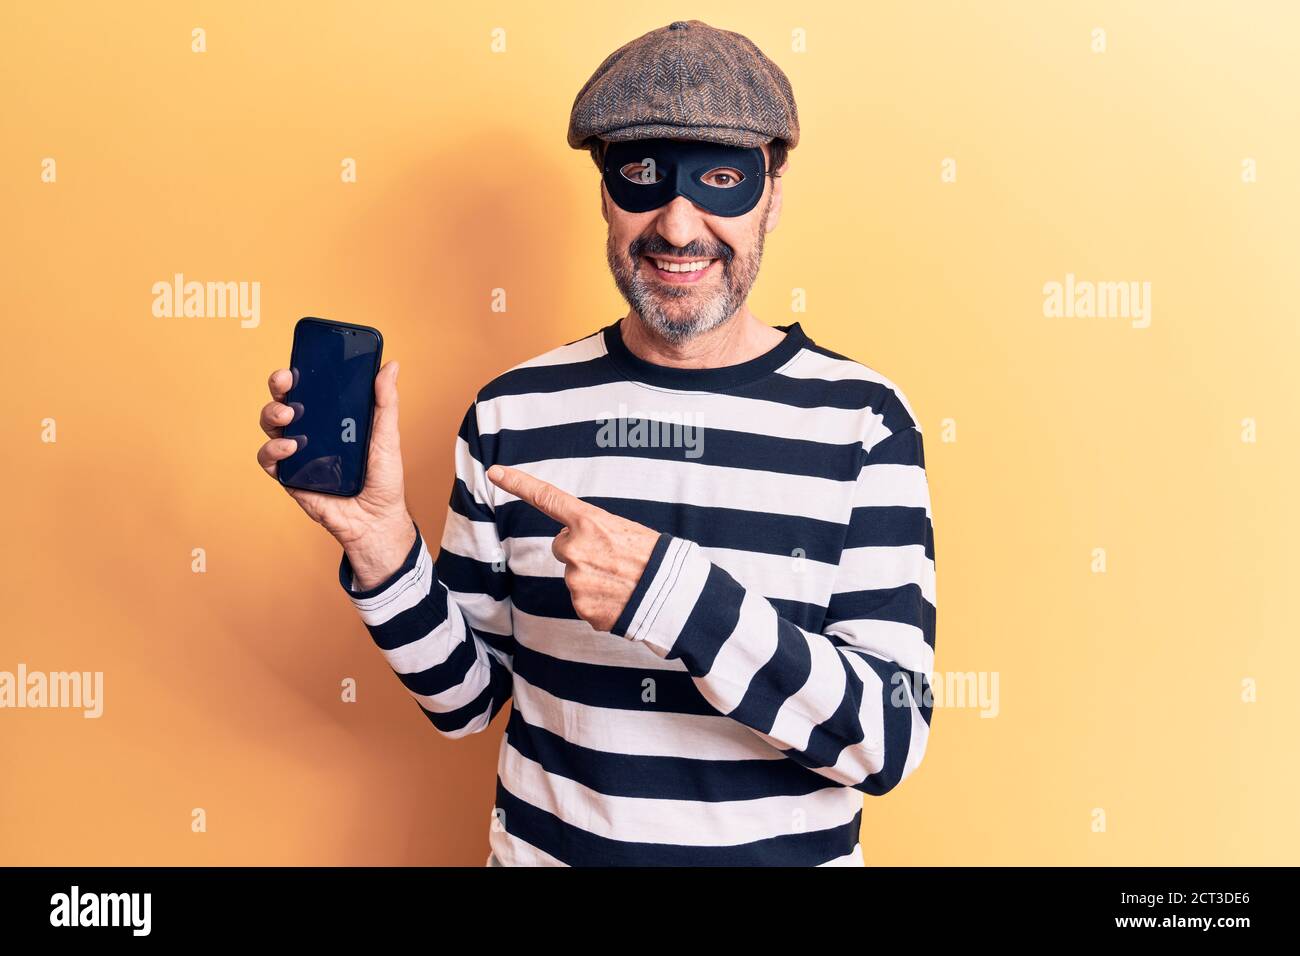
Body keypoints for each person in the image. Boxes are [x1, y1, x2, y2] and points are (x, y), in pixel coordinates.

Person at [256, 19, 936, 866]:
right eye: (643, 178)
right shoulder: (514, 413)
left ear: (774, 188)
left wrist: (675, 598)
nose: (679, 228)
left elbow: (890, 738)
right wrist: (382, 546)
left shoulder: (865, 420)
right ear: (605, 192)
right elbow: (465, 700)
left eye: (722, 180)